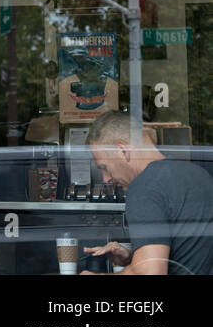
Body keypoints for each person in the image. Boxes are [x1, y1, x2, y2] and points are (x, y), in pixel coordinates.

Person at [84, 111, 213, 275]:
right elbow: (189, 256)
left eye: (104, 167)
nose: (106, 179)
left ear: (122, 150)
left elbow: (150, 272)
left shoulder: (145, 186)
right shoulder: (198, 175)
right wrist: (133, 260)